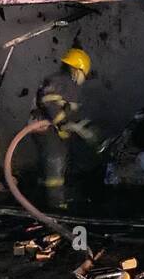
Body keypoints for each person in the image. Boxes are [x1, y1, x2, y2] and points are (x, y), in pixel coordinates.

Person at [31, 46, 97, 208]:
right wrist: (64, 123)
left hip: (55, 131)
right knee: (55, 162)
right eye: (84, 74)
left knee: (56, 164)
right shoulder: (60, 81)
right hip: (47, 129)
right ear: (76, 70)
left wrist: (79, 125)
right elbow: (51, 105)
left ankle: (45, 200)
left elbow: (69, 110)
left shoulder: (67, 84)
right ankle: (55, 206)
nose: (84, 79)